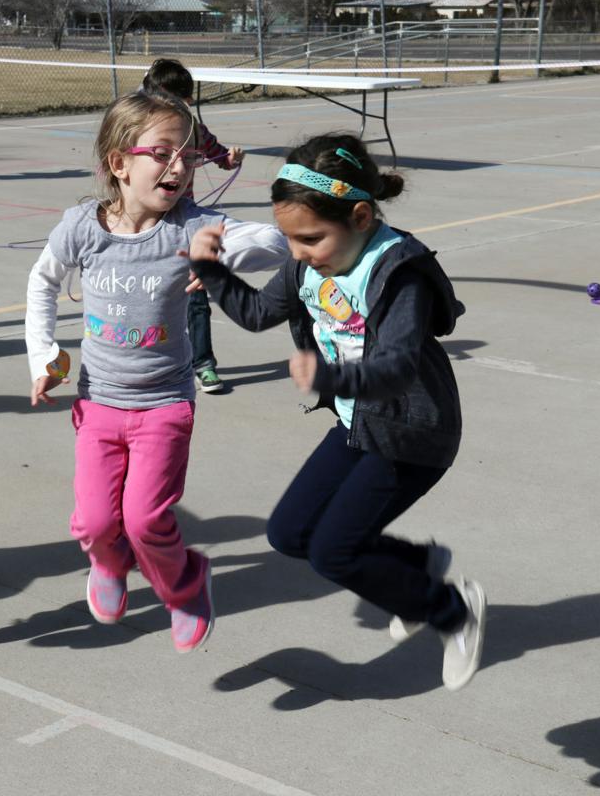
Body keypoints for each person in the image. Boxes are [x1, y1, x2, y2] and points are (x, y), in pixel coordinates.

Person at [188, 133, 486, 690]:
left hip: (412, 430)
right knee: (290, 533)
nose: (298, 251)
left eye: (310, 238)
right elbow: (256, 313)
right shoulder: (308, 267)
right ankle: (413, 570)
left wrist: (332, 377)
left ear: (361, 215)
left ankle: (451, 609)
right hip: (360, 421)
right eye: (289, 238)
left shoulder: (398, 272)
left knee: (334, 552)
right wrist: (213, 272)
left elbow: (396, 365)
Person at [25, 91, 289, 653]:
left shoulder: (189, 226)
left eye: (189, 155)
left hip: (164, 406)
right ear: (119, 163)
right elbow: (42, 282)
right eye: (163, 152)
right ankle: (109, 563)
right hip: (97, 403)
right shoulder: (83, 227)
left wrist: (216, 252)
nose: (180, 165)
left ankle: (185, 583)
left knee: (146, 521)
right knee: (96, 523)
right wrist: (43, 355)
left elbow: (272, 244)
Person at [141, 59, 244, 396]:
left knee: (195, 294)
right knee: (146, 293)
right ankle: (146, 359)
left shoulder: (194, 129)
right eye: (175, 100)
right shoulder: (137, 126)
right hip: (144, 220)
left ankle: (203, 364)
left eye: (186, 100)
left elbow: (219, 155)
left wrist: (232, 158)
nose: (182, 107)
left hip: (183, 220)